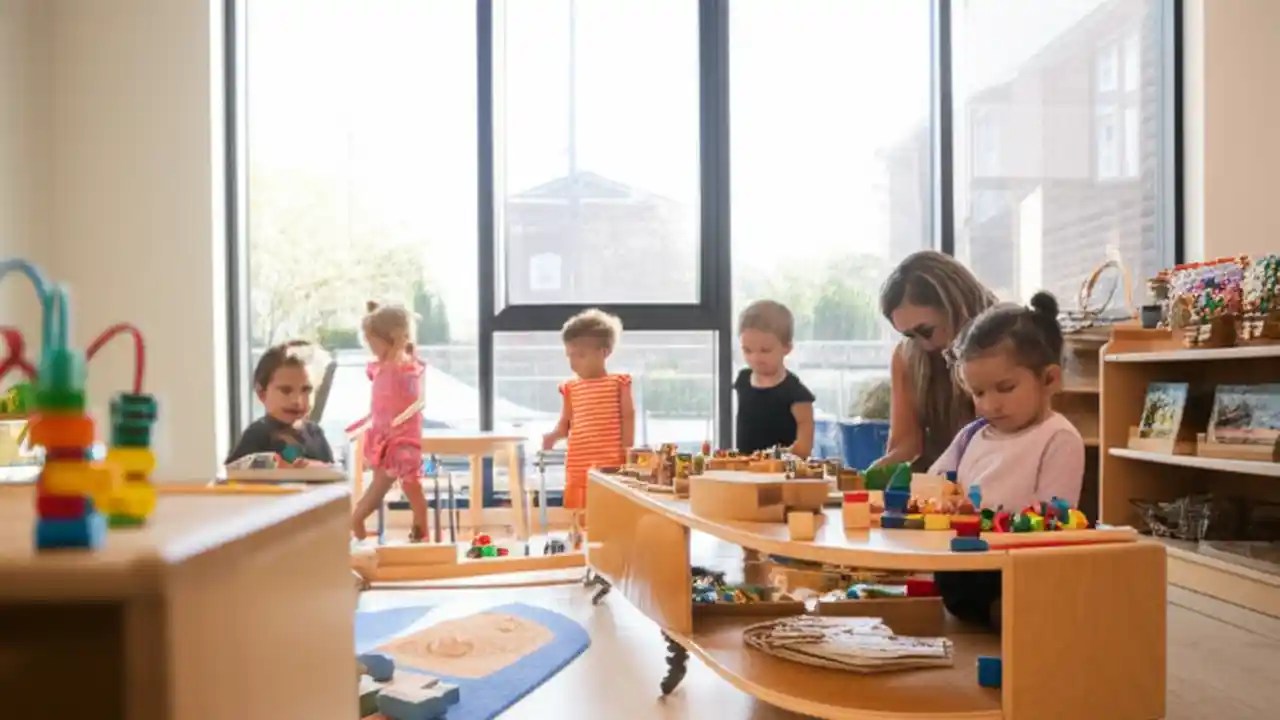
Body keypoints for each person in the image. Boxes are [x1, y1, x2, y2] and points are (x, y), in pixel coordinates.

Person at [931, 291, 1085, 628]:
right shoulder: (973, 434)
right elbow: (935, 482)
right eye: (979, 393)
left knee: (1026, 609)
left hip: (1018, 571)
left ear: (1049, 380)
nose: (989, 405)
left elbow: (1053, 521)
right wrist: (949, 499)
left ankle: (1022, 622)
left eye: (1005, 388)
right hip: (964, 566)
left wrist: (987, 520)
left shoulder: (1058, 438)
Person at [875, 251, 997, 471]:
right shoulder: (906, 356)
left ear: (956, 306)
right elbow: (906, 445)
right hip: (936, 486)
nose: (924, 345)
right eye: (910, 336)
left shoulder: (1006, 344)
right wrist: (868, 479)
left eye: (926, 331)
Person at [542, 309, 634, 547]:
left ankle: (609, 545)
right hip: (579, 462)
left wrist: (628, 451)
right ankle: (577, 545)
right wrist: (553, 436)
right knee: (579, 511)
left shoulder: (618, 383)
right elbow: (565, 424)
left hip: (608, 461)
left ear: (604, 352)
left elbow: (628, 417)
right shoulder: (571, 388)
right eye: (569, 355)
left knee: (607, 510)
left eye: (580, 355)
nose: (573, 362)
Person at [350, 301, 429, 542]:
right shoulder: (381, 367)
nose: (371, 347)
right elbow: (381, 403)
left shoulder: (405, 365)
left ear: (392, 338)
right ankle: (357, 522)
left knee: (411, 485)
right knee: (380, 486)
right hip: (383, 438)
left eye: (372, 341)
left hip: (403, 439)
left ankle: (420, 531)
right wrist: (366, 422)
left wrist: (398, 420)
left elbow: (416, 401)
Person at [226, 340, 334, 467]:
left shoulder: (315, 433)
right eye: (286, 390)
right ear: (262, 393)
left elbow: (333, 473)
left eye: (306, 390)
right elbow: (232, 473)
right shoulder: (257, 434)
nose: (297, 400)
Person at [735, 300, 816, 457]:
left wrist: (773, 457)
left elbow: (804, 446)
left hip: (784, 474)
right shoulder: (743, 380)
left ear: (786, 347)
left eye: (765, 350)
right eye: (747, 350)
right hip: (745, 470)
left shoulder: (797, 394)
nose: (755, 358)